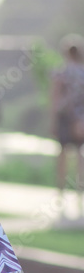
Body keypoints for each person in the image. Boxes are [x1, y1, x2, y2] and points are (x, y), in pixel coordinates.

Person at [50, 33, 84, 214]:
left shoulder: (61, 71)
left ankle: (61, 192)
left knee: (62, 156)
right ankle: (79, 192)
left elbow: (55, 98)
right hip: (80, 119)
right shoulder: (82, 72)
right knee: (79, 156)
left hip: (65, 118)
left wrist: (53, 121)